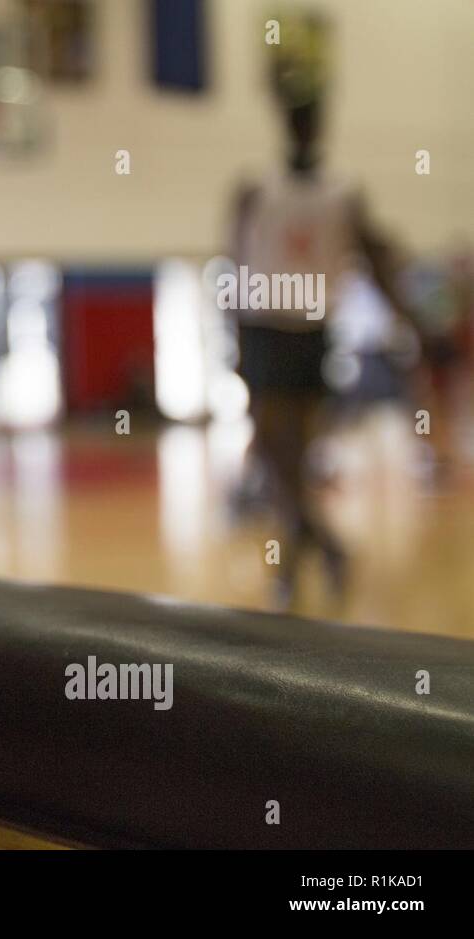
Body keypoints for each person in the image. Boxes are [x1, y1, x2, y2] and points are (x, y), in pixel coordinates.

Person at [228, 33, 425, 610]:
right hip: (263, 328)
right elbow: (235, 266)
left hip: (311, 332)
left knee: (294, 460)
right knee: (272, 453)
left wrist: (408, 318)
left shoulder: (345, 193)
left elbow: (376, 260)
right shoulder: (254, 188)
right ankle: (322, 549)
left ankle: (297, 562)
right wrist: (231, 334)